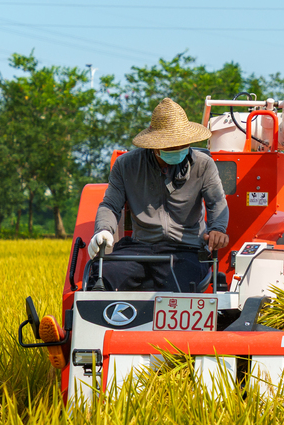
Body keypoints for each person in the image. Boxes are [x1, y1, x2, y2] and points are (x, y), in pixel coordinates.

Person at [88, 98, 230, 291]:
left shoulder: (203, 165)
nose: (178, 150)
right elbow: (110, 206)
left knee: (180, 286)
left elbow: (217, 202)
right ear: (154, 145)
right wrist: (103, 230)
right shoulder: (126, 165)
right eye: (171, 146)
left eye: (182, 144)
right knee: (103, 275)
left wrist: (218, 229)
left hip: (186, 250)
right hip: (140, 247)